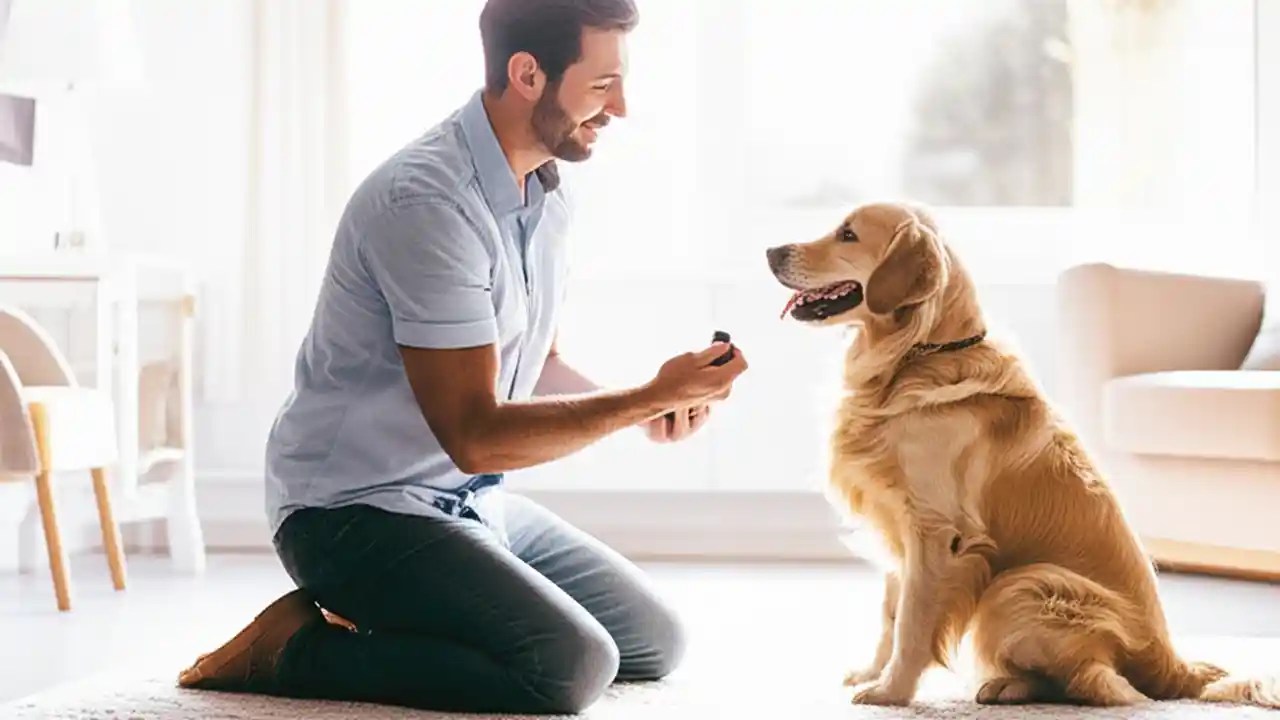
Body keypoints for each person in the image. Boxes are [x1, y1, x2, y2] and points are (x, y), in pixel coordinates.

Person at [175, 0, 748, 714]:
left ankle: (410, 612)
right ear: (528, 74)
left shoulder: (544, 193)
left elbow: (530, 364)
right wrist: (636, 401)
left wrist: (649, 402)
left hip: (466, 504)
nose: (622, 108)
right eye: (603, 86)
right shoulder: (426, 203)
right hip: (352, 514)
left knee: (655, 642)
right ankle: (296, 651)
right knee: (569, 666)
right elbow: (476, 435)